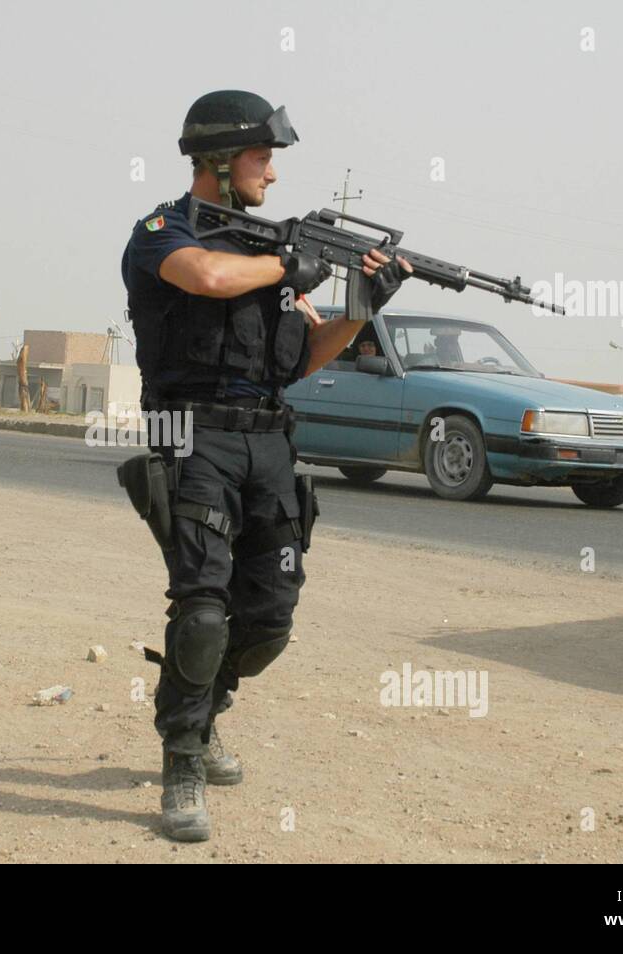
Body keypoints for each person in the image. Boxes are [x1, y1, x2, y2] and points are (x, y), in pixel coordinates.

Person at [120, 90, 411, 841]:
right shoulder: (165, 231)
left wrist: (359, 306)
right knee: (203, 608)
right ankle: (182, 760)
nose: (272, 175)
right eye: (262, 158)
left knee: (271, 616)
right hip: (193, 437)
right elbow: (207, 279)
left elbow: (304, 359)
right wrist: (288, 262)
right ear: (219, 160)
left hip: (271, 441)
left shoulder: (276, 255)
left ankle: (207, 709)